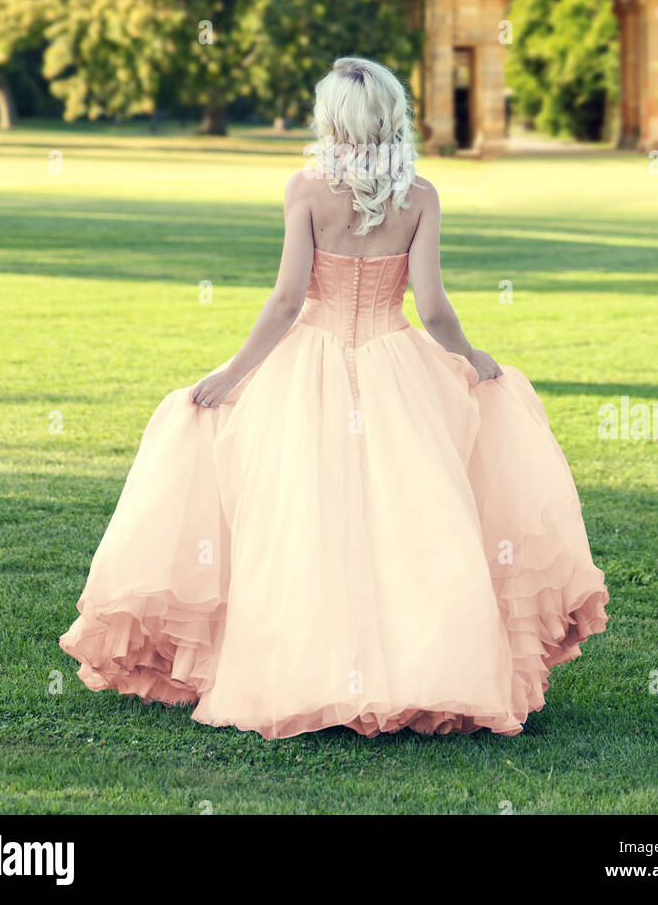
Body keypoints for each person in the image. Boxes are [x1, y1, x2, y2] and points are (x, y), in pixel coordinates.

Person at [60, 55, 608, 738]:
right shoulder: (421, 195)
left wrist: (231, 375)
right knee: (408, 526)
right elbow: (432, 307)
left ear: (330, 120)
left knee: (299, 523)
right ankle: (420, 675)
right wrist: (471, 360)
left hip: (307, 368)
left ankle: (298, 673)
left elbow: (288, 299)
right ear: (391, 116)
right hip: (394, 367)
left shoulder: (306, 189)